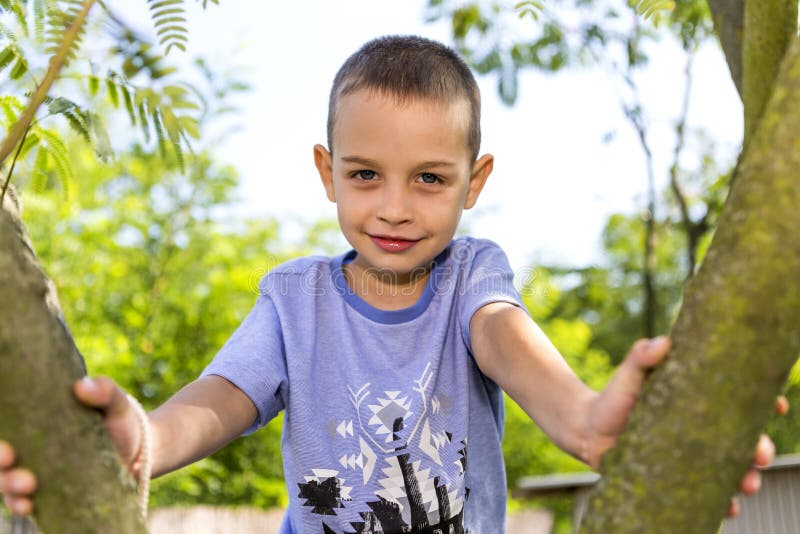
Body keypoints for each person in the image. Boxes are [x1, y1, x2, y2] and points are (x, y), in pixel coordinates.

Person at [0, 35, 782, 533]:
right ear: (326, 173)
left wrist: (585, 419)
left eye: (430, 179)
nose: (395, 209)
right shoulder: (293, 298)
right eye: (366, 175)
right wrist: (151, 438)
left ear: (473, 182)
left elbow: (505, 338)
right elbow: (224, 396)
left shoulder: (473, 275)